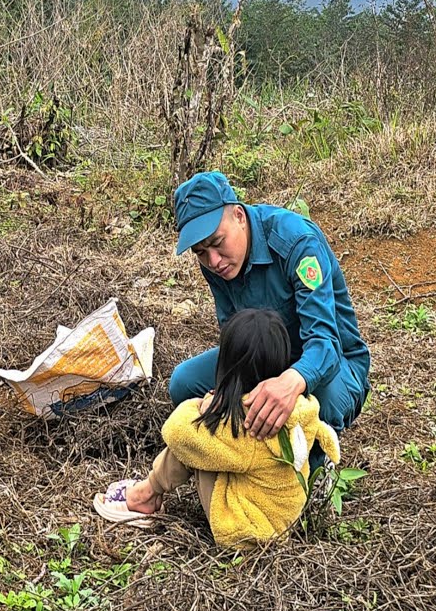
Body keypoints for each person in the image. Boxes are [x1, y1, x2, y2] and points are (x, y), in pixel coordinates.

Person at [93, 309, 342, 546]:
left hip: (247, 530)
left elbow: (178, 432)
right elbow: (325, 435)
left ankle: (144, 496)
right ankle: (146, 493)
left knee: (196, 441)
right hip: (281, 518)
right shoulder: (300, 405)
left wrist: (205, 406)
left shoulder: (250, 423)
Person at [168, 171, 369, 465]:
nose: (213, 261)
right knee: (184, 384)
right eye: (200, 252)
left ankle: (314, 465)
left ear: (238, 215)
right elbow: (234, 334)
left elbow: (325, 342)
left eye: (217, 242)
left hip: (334, 362)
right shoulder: (217, 264)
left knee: (313, 408)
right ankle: (242, 458)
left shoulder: (297, 243)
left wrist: (290, 382)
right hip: (265, 358)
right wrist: (226, 391)